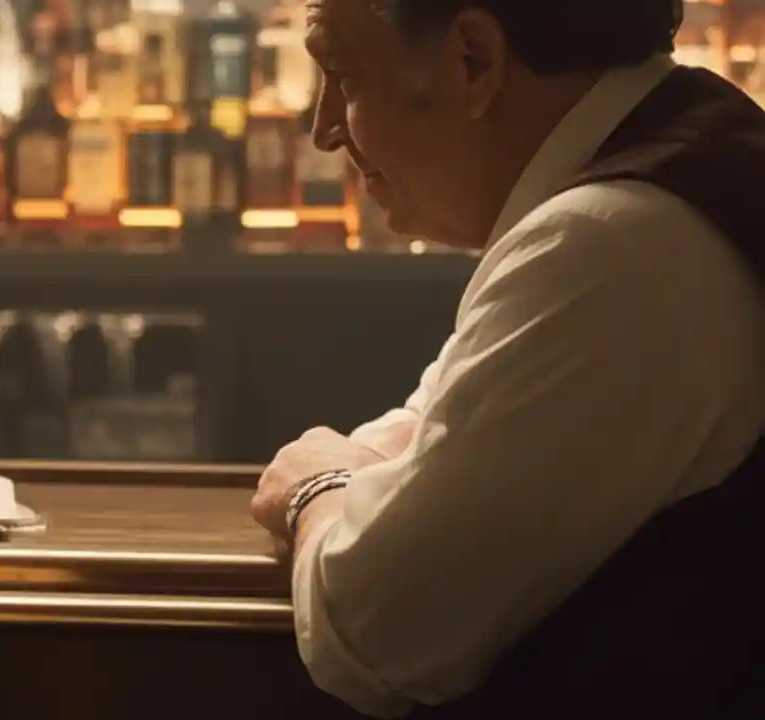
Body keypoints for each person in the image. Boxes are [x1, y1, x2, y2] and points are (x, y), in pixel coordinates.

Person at [250, 1, 764, 717]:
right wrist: (366, 493)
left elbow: (378, 631)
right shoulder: (654, 185)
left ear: (473, 62)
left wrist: (317, 488)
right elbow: (413, 436)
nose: (326, 129)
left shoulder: (606, 245)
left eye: (343, 75)